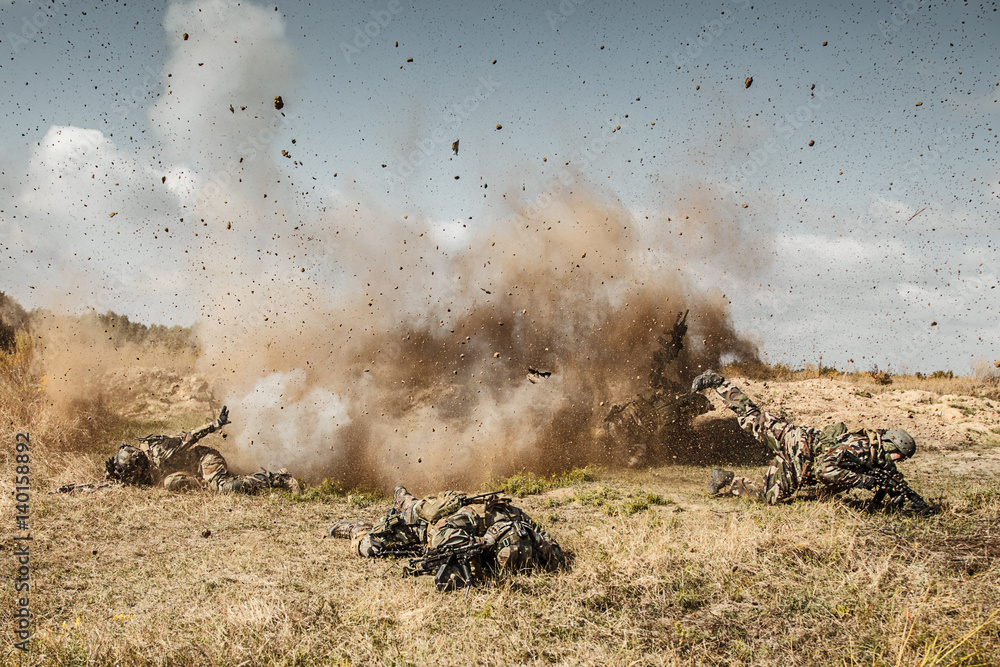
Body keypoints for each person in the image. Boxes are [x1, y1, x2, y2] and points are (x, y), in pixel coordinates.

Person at [691, 370, 923, 508]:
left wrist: (898, 495)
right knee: (751, 417)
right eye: (900, 456)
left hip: (801, 463)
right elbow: (825, 470)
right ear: (892, 446)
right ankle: (717, 381)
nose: (899, 461)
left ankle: (725, 479)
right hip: (795, 441)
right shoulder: (861, 448)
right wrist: (864, 482)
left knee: (769, 497)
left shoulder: (878, 458)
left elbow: (891, 479)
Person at [329, 486, 565, 577]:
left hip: (462, 527)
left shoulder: (519, 519)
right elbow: (441, 534)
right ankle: (357, 529)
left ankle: (406, 498)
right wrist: (479, 543)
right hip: (424, 525)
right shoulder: (471, 518)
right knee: (372, 547)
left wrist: (546, 550)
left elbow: (553, 548)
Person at [103, 406, 301, 495]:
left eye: (133, 472)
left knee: (225, 488)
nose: (134, 477)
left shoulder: (159, 453)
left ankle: (279, 479)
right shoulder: (138, 459)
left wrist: (216, 424)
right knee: (171, 482)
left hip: (203, 459)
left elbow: (190, 438)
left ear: (140, 464)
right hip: (190, 470)